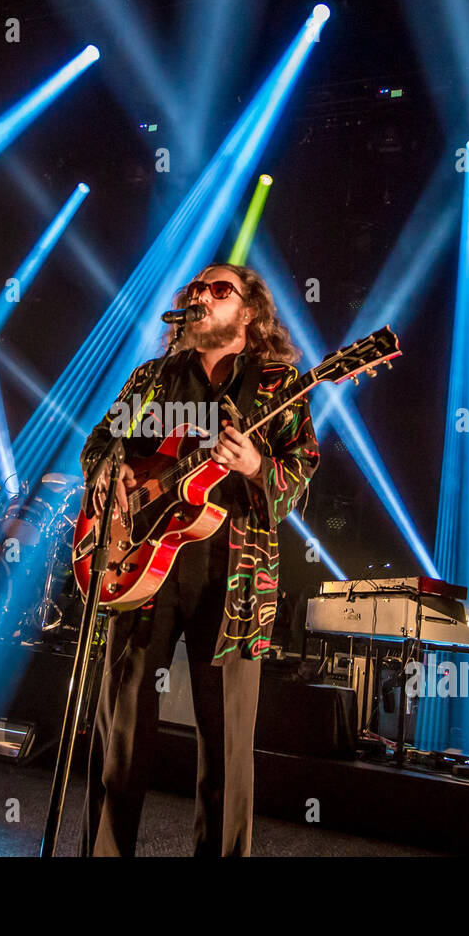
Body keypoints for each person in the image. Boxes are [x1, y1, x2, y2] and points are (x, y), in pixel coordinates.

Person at [79, 263, 319, 856]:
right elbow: (100, 443)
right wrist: (114, 473)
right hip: (141, 562)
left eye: (219, 289)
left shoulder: (277, 384)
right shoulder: (153, 378)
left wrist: (256, 466)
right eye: (196, 288)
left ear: (249, 312)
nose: (202, 295)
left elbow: (301, 471)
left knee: (227, 744)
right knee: (121, 731)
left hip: (235, 575)